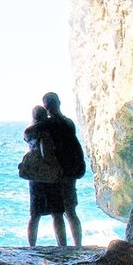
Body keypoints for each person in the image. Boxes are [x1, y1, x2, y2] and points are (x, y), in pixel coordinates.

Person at [42, 92, 86, 246]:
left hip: (57, 173)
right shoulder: (68, 122)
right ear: (59, 103)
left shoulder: (49, 124)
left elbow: (28, 133)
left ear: (46, 107)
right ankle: (77, 245)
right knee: (70, 212)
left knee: (57, 213)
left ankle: (63, 247)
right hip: (71, 171)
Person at [23, 105, 66, 246]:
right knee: (57, 212)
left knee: (35, 214)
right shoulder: (44, 133)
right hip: (49, 176)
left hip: (35, 177)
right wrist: (57, 166)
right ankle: (62, 246)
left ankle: (32, 246)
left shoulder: (28, 131)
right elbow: (46, 154)